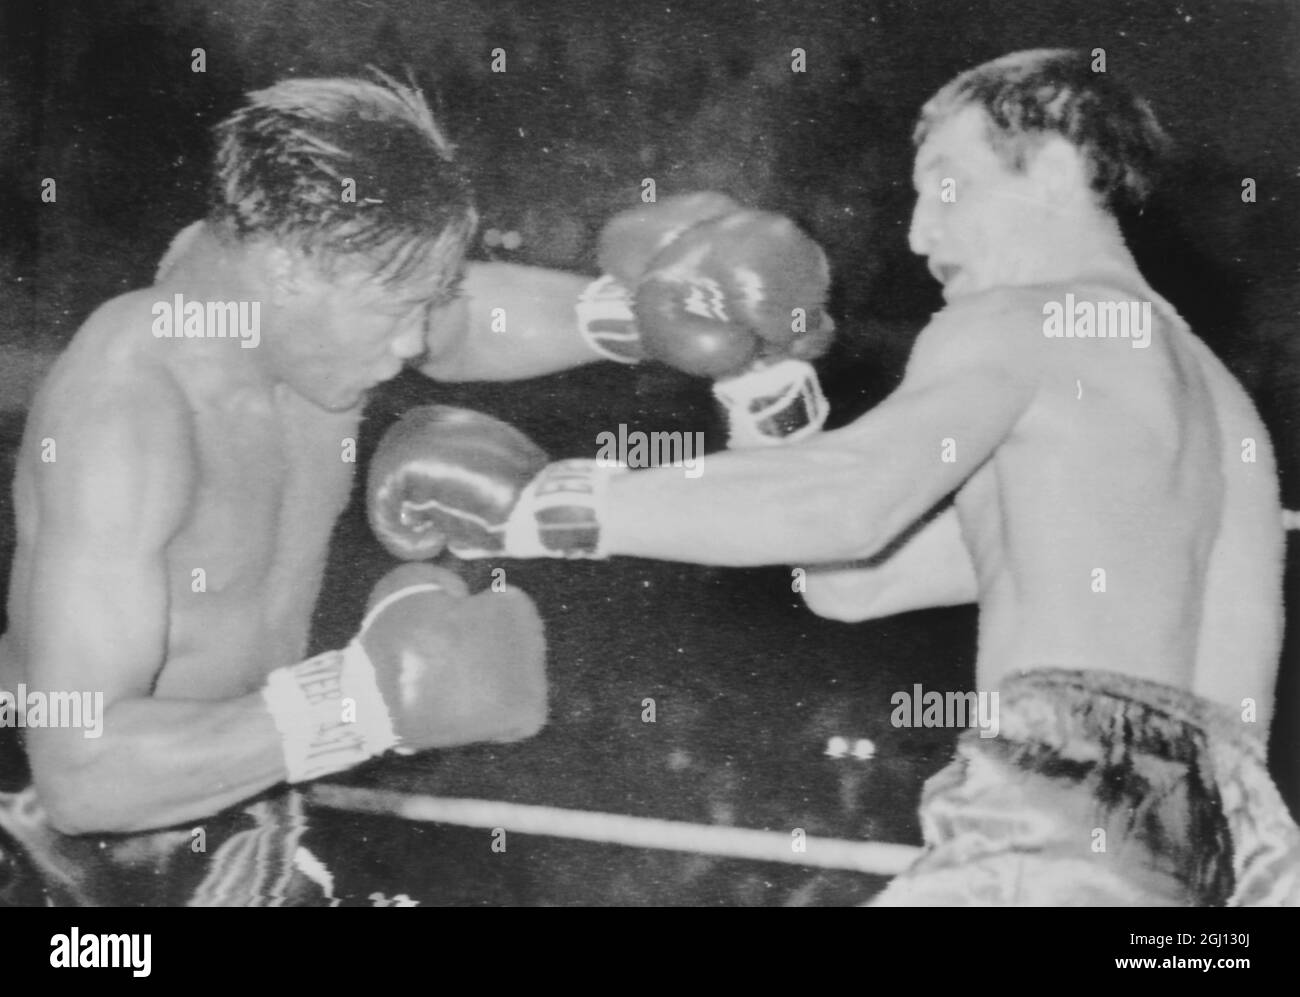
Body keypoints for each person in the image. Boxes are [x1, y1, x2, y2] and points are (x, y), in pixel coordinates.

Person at [368, 49, 1300, 905]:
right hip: (1238, 852)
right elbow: (857, 581)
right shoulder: (1213, 401)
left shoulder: (1023, 319)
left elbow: (847, 505)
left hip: (1067, 820)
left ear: (1054, 168)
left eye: (947, 185)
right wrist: (765, 401)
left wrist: (545, 506)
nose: (920, 229)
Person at [0, 68, 835, 854]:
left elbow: (464, 322)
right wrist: (366, 699)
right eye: (397, 309)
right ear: (288, 267)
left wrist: (640, 317)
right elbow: (81, 775)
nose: (411, 344)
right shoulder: (126, 411)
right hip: (73, 852)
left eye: (425, 301)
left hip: (240, 806)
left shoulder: (292, 311)